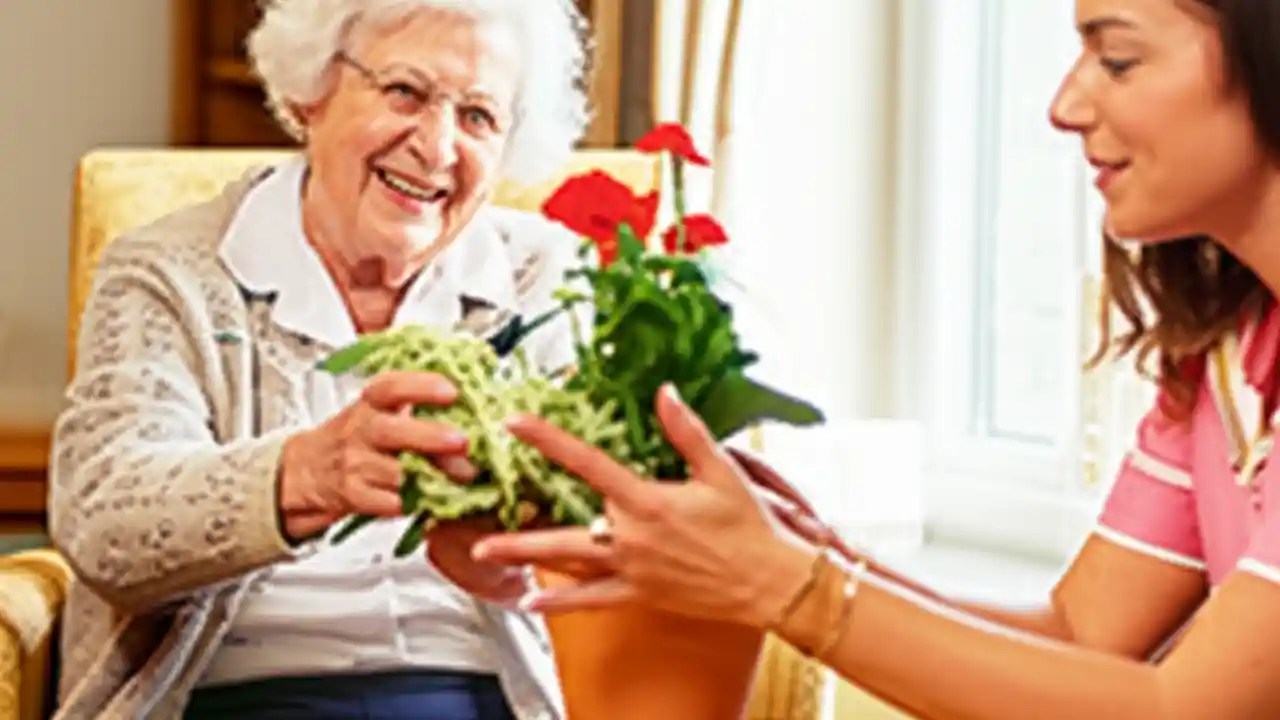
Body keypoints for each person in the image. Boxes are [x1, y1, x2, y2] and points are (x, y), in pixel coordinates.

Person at [467, 0, 1280, 717]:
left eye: (1118, 60)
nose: (1066, 104)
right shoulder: (1222, 356)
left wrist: (789, 583)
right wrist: (814, 553)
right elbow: (1084, 636)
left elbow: (1188, 705)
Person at [48, 1, 591, 718]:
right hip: (234, 696)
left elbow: (611, 524)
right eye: (405, 92)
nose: (436, 147)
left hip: (473, 695)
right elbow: (105, 523)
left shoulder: (548, 279)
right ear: (312, 94)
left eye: (479, 117)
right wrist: (309, 473)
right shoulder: (169, 273)